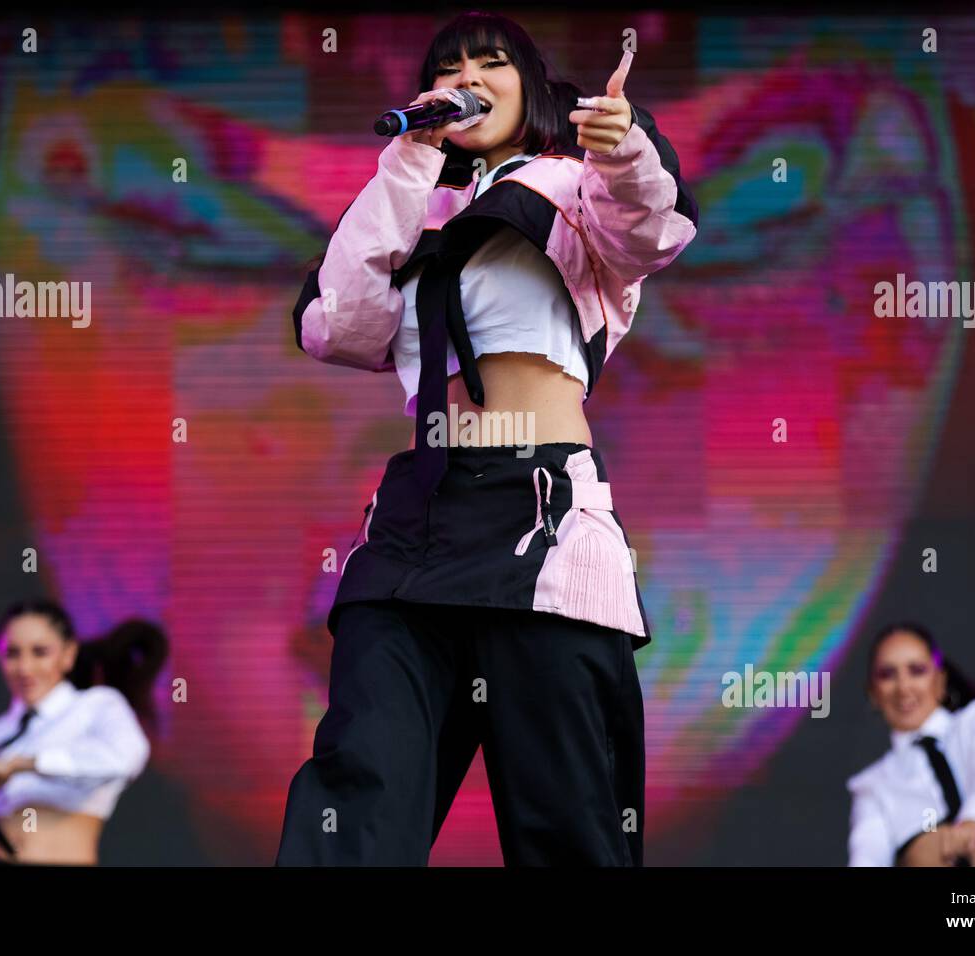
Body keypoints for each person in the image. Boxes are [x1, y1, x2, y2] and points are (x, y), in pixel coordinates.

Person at [279, 11, 697, 866]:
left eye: (491, 62)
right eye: (451, 65)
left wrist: (620, 146)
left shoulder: (573, 185)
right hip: (417, 525)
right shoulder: (415, 202)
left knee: (568, 826)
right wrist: (409, 155)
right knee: (359, 793)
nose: (468, 76)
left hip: (540, 516)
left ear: (532, 85)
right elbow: (341, 326)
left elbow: (651, 229)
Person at [0, 599, 168, 866]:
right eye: (12, 653)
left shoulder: (96, 707)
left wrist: (23, 765)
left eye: (40, 652)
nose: (25, 667)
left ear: (68, 654)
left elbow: (124, 758)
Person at [846, 622, 975, 867]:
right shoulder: (872, 786)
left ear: (940, 680)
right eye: (888, 674)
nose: (903, 687)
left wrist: (973, 822)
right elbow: (867, 857)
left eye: (917, 670)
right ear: (873, 693)